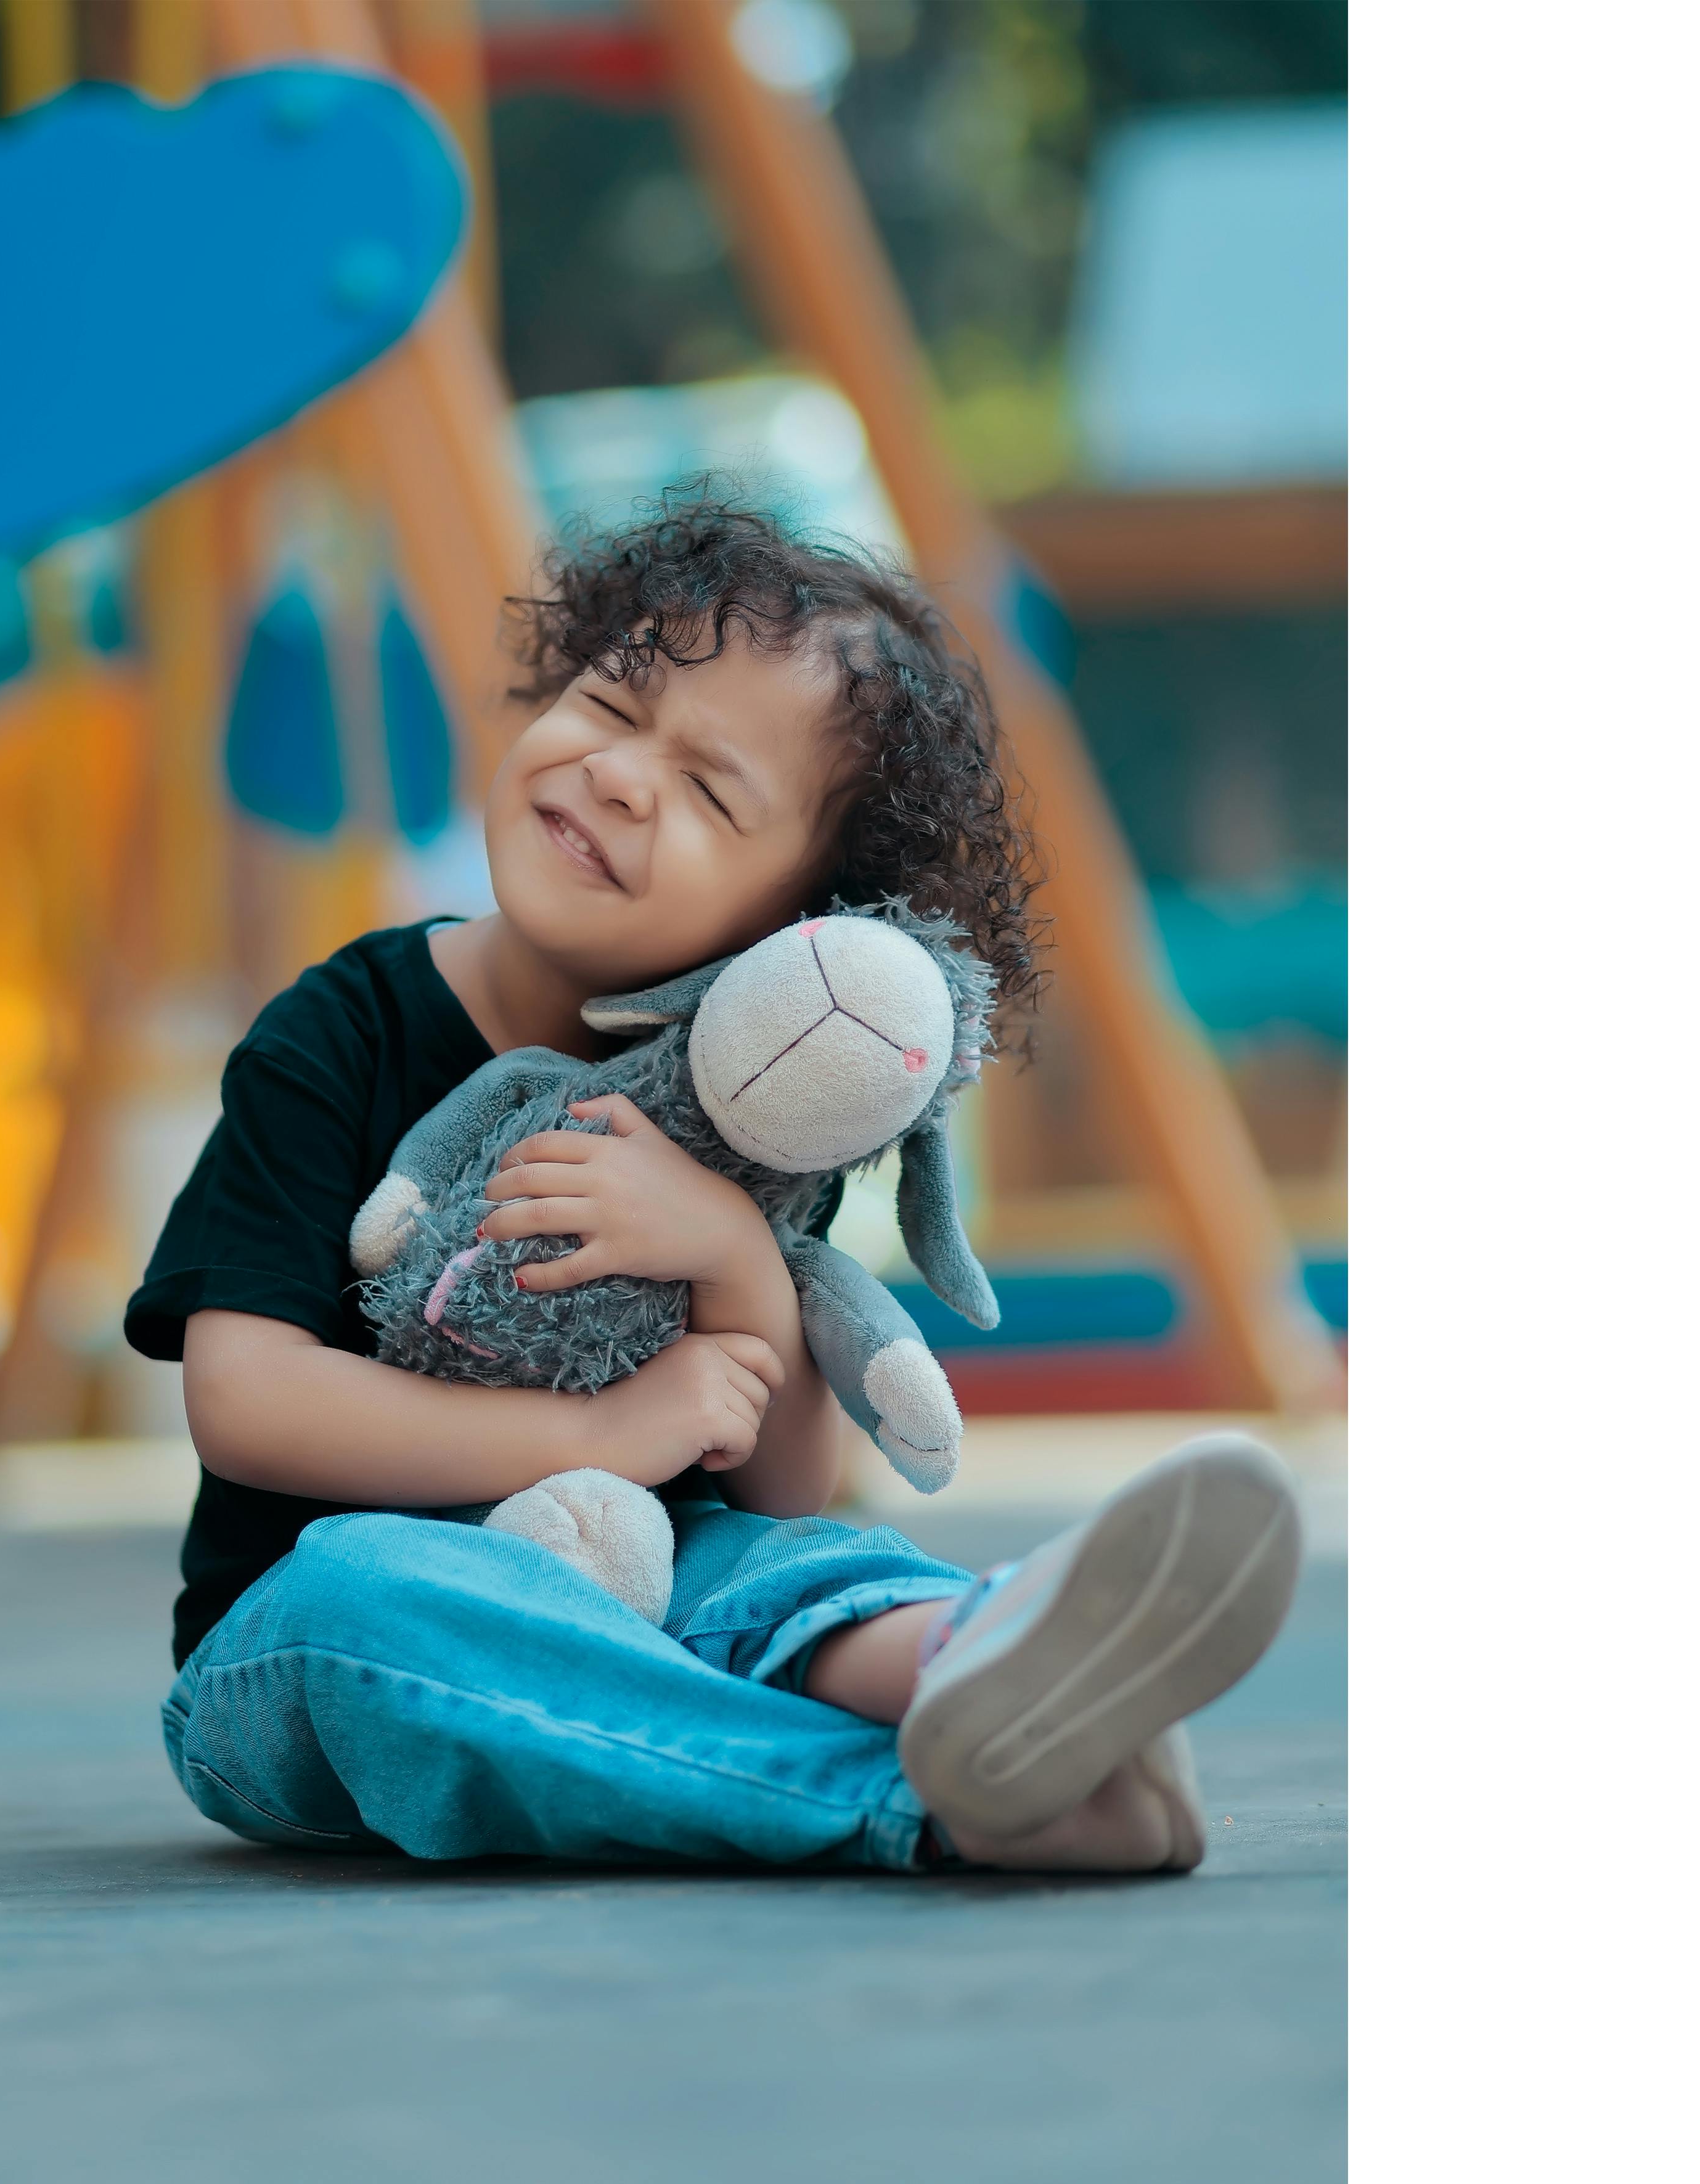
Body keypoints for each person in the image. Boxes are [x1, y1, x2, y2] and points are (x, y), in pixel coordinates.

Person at [126, 488, 1301, 1873]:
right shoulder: (344, 1024)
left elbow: (787, 1496)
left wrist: (735, 1259)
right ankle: (927, 1791)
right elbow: (247, 1401)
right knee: (368, 1591)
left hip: (648, 1599)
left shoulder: (747, 1103)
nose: (622, 775)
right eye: (611, 706)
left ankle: (984, 1659)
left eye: (706, 790)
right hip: (300, 1662)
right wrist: (607, 1431)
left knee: (785, 1575)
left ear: (792, 931)